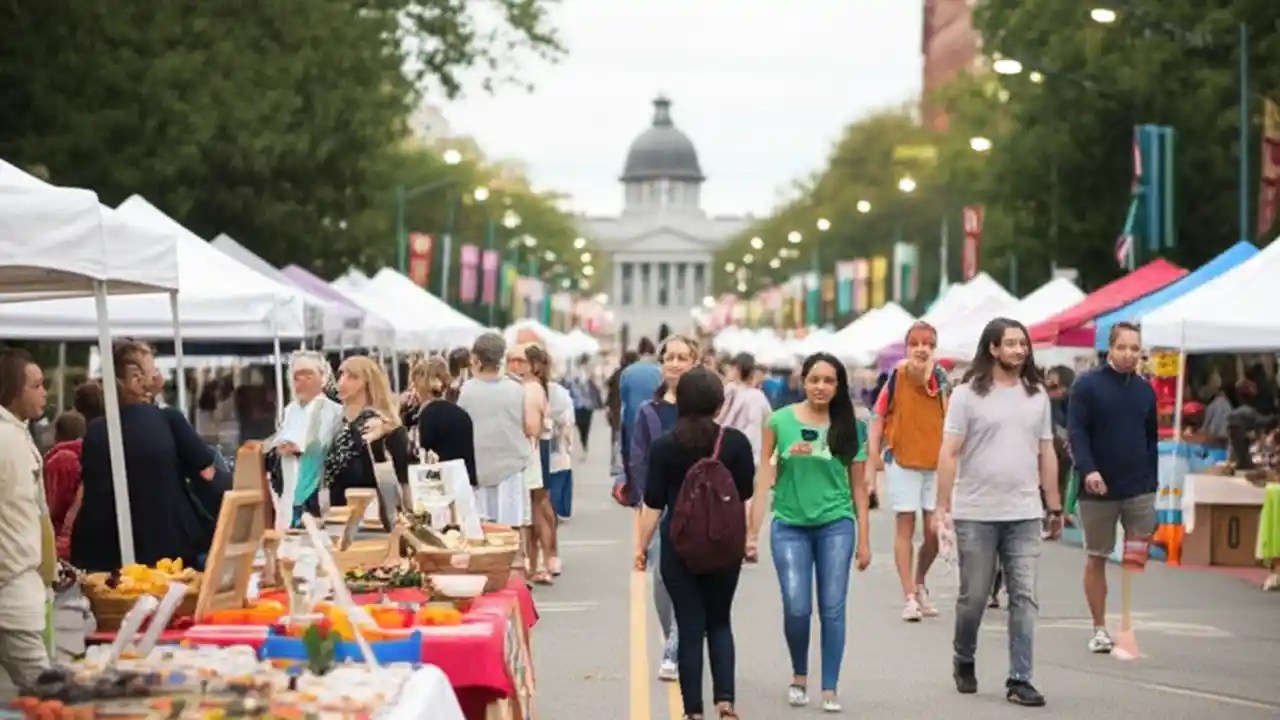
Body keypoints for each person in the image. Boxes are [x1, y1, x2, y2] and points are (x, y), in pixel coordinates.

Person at [935, 317, 1063, 707]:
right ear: (992, 348)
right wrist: (942, 506)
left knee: (1023, 596)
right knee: (974, 597)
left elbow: (1046, 450)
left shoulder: (1036, 394)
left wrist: (1053, 504)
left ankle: (1020, 678)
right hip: (975, 511)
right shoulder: (966, 395)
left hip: (1024, 511)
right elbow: (950, 452)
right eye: (1010, 344)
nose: (1019, 350)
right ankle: (964, 657)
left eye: (1022, 344)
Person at [746, 352, 872, 713]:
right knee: (797, 607)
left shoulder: (852, 427)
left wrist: (864, 540)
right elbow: (766, 475)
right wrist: (751, 531)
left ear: (839, 386)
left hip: (837, 525)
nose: (821, 387)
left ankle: (829, 687)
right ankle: (799, 674)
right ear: (803, 381)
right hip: (789, 525)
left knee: (832, 608)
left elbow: (860, 489)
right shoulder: (779, 421)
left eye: (829, 381)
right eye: (815, 379)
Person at [635, 367, 754, 720]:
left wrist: (640, 547)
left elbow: (654, 502)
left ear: (680, 403)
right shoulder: (735, 443)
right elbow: (745, 491)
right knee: (719, 621)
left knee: (689, 625)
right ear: (720, 404)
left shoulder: (665, 446)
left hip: (678, 546)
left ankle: (693, 712)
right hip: (724, 546)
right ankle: (726, 703)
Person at [73, 342, 217, 571]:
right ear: (137, 380)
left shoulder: (98, 431)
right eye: (153, 370)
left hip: (114, 551)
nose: (158, 376)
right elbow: (206, 470)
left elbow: (95, 497)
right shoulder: (168, 420)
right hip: (174, 547)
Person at [1067, 321, 1157, 654]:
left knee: (1136, 555)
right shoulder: (1087, 385)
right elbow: (1077, 432)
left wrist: (1153, 482)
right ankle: (1100, 627)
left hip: (1138, 486)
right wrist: (1088, 470)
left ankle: (1128, 621)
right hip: (1098, 488)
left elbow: (1150, 439)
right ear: (1110, 348)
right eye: (1123, 347)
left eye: (1135, 348)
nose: (1129, 354)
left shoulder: (1145, 390)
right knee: (1097, 555)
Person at [865, 321, 949, 622]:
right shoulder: (897, 378)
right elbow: (877, 418)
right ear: (907, 348)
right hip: (902, 460)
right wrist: (873, 462)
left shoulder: (942, 380)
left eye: (927, 344)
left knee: (933, 532)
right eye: (915, 343)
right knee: (906, 525)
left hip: (934, 462)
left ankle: (920, 582)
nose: (921, 349)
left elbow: (953, 423)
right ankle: (909, 596)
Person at [629, 334, 699, 681]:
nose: (675, 363)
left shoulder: (705, 409)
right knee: (660, 579)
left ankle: (675, 646)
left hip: (699, 507)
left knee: (692, 579)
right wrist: (647, 502)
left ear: (694, 363)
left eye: (682, 357)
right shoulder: (649, 411)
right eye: (669, 357)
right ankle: (672, 633)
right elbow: (639, 459)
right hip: (662, 505)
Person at [0, 348, 53, 695]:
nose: (44, 392)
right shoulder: (6, 440)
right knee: (49, 693)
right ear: (13, 391)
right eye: (36, 385)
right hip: (13, 589)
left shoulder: (17, 434)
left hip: (23, 586)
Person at [457, 334, 533, 544]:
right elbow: (528, 426)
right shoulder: (517, 389)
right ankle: (516, 572)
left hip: (478, 469)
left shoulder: (467, 391)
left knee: (481, 531)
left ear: (476, 358)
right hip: (511, 468)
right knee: (512, 530)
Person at [323, 356, 411, 513]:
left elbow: (405, 480)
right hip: (339, 516)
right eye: (341, 375)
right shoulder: (337, 427)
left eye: (353, 377)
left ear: (369, 383)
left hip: (376, 519)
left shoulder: (386, 429)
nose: (343, 381)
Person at [269, 352, 343, 525]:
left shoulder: (335, 411)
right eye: (296, 376)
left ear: (323, 378)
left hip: (317, 494)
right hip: (289, 494)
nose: (301, 380)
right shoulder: (290, 411)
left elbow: (326, 446)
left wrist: (299, 448)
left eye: (308, 375)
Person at [509, 343, 559, 583]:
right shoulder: (535, 388)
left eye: (520, 361)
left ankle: (538, 562)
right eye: (511, 360)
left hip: (528, 455)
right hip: (531, 455)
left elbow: (532, 429)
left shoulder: (529, 389)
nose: (514, 365)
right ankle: (540, 561)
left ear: (533, 365)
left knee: (532, 511)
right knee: (536, 509)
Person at [413, 356, 478, 487]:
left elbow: (423, 453)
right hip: (464, 481)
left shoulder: (428, 414)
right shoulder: (459, 412)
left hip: (441, 484)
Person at [617, 338, 663, 505]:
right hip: (655, 418)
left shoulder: (627, 372)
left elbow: (623, 398)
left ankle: (636, 495)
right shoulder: (660, 371)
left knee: (633, 457)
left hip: (631, 418)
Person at [718, 353, 774, 465]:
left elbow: (721, 422)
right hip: (755, 456)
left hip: (735, 454)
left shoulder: (732, 391)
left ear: (736, 370)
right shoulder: (758, 396)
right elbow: (771, 422)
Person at [546, 365, 576, 524]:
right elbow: (568, 420)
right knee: (559, 471)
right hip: (558, 441)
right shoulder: (560, 392)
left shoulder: (526, 390)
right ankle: (558, 508)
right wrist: (569, 443)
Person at [565, 356, 600, 455]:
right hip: (578, 404)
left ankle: (584, 444)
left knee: (586, 426)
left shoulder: (590, 375)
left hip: (587, 405)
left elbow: (594, 389)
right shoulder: (574, 375)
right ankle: (581, 445)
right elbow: (570, 388)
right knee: (580, 425)